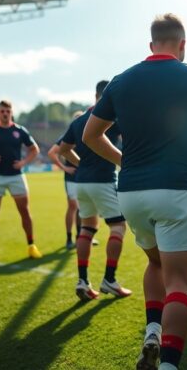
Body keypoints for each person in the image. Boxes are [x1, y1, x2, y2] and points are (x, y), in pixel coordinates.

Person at [82, 13, 187, 370]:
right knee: (180, 278)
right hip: (176, 191)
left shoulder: (121, 81)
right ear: (183, 45)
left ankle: (153, 330)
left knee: (154, 262)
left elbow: (91, 135)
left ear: (151, 45)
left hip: (131, 193)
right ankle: (168, 364)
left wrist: (123, 160)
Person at [59, 81, 132, 301]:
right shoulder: (111, 117)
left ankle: (83, 281)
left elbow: (63, 149)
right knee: (118, 227)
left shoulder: (80, 120)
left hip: (82, 182)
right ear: (106, 95)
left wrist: (80, 163)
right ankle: (110, 279)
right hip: (103, 180)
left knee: (88, 228)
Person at [0, 100, 42, 260]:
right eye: (2, 111)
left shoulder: (19, 130)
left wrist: (24, 162)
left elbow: (34, 149)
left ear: (11, 112)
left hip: (16, 176)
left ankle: (31, 246)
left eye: (8, 111)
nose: (5, 113)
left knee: (24, 211)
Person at [48, 110, 84, 250]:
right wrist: (64, 168)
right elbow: (52, 153)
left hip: (85, 177)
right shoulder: (67, 137)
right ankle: (69, 238)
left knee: (84, 209)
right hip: (72, 177)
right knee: (73, 207)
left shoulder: (88, 135)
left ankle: (81, 237)